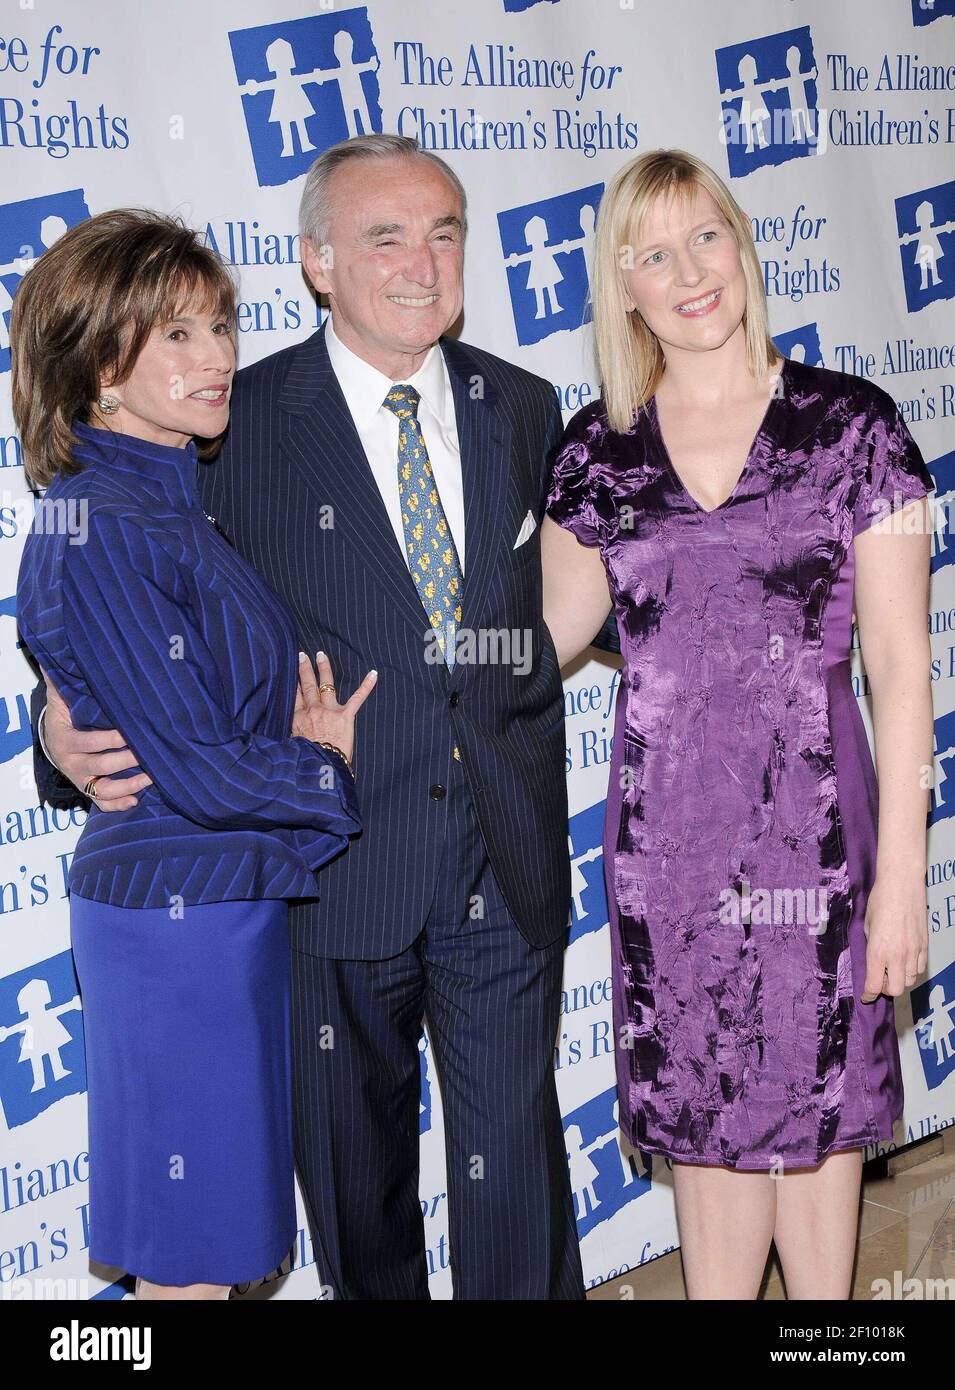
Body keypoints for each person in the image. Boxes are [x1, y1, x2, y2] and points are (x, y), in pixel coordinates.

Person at [31, 135, 615, 1299]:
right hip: (325, 869)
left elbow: (574, 603)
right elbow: (119, 610)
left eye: (443, 231)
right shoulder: (224, 423)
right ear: (315, 262)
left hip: (501, 856)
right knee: (355, 1199)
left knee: (518, 1186)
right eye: (383, 236)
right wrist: (60, 741)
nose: (420, 262)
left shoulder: (527, 406)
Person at [541, 148, 934, 1300]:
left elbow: (902, 669)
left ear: (742, 242)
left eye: (703, 236)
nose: (687, 271)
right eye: (652, 253)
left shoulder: (851, 427)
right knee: (705, 1134)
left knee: (823, 1117)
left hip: (822, 837)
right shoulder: (596, 448)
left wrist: (901, 881)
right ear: (624, 286)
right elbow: (538, 639)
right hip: (669, 851)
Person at [13, 209, 373, 1300]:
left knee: (205, 1251)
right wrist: (324, 768)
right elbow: (205, 770)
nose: (217, 355)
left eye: (219, 326)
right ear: (97, 365)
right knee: (191, 1260)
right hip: (182, 932)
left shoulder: (171, 510)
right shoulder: (102, 518)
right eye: (175, 334)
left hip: (217, 914)